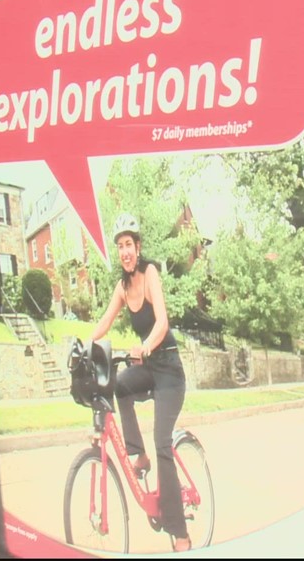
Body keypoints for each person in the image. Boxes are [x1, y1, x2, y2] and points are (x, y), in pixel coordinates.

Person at [89, 213, 191, 552]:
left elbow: (162, 321)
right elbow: (105, 318)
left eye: (129, 245)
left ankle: (180, 534)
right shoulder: (122, 286)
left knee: (164, 442)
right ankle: (138, 455)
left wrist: (145, 347)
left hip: (169, 372)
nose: (124, 252)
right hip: (148, 367)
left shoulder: (150, 274)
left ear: (138, 246)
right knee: (119, 385)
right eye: (119, 247)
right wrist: (84, 344)